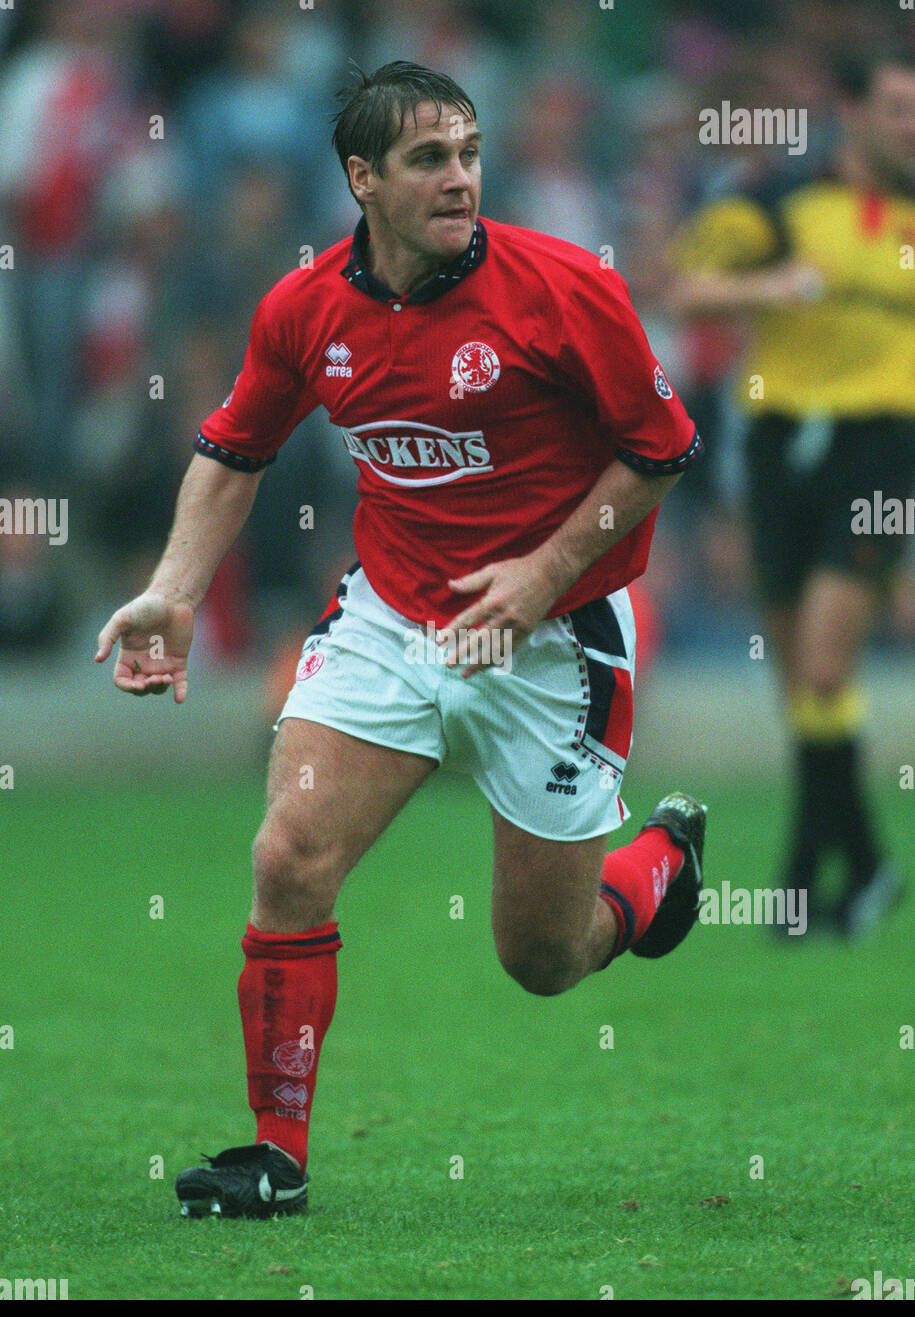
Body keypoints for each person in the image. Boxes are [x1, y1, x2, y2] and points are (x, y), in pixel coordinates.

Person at [96, 62, 706, 1219]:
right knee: (288, 857)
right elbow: (235, 450)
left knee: (542, 959)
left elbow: (662, 450)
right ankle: (274, 1156)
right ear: (362, 179)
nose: (461, 178)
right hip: (390, 617)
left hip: (555, 642)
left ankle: (660, 867)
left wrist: (542, 574)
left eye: (471, 152)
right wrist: (174, 589)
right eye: (430, 159)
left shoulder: (566, 289)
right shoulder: (306, 307)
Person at [669, 51, 915, 937]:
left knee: (820, 666)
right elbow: (683, 287)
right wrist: (767, 286)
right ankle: (856, 870)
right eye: (895, 107)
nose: (909, 127)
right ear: (850, 110)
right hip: (779, 446)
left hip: (882, 453)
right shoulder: (776, 204)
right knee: (799, 687)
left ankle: (803, 882)